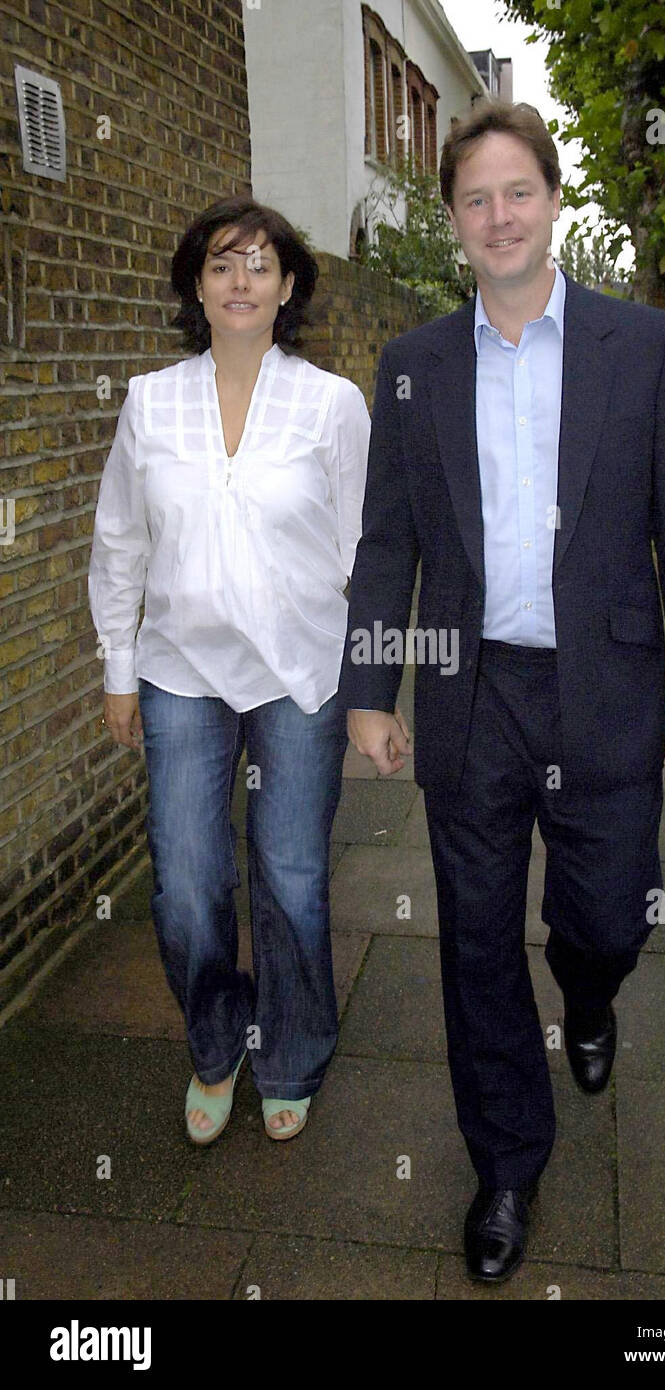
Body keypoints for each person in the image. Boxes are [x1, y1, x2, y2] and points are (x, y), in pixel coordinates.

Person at [340, 101, 665, 1282]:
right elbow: (384, 543)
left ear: (553, 201)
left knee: (607, 914)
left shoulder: (641, 346)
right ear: (453, 220)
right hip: (469, 698)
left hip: (606, 687)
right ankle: (507, 1162)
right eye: (474, 198)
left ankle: (590, 986)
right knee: (470, 943)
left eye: (517, 191)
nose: (497, 216)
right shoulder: (412, 365)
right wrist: (371, 685)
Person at [89, 195, 369, 1146]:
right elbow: (120, 543)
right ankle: (216, 1042)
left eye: (259, 264)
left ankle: (290, 1051)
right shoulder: (149, 401)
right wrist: (117, 670)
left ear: (288, 286)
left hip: (301, 675)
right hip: (180, 672)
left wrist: (367, 685)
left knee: (289, 876)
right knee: (187, 880)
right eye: (221, 263)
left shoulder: (333, 405)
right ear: (196, 287)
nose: (240, 279)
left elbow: (359, 551)